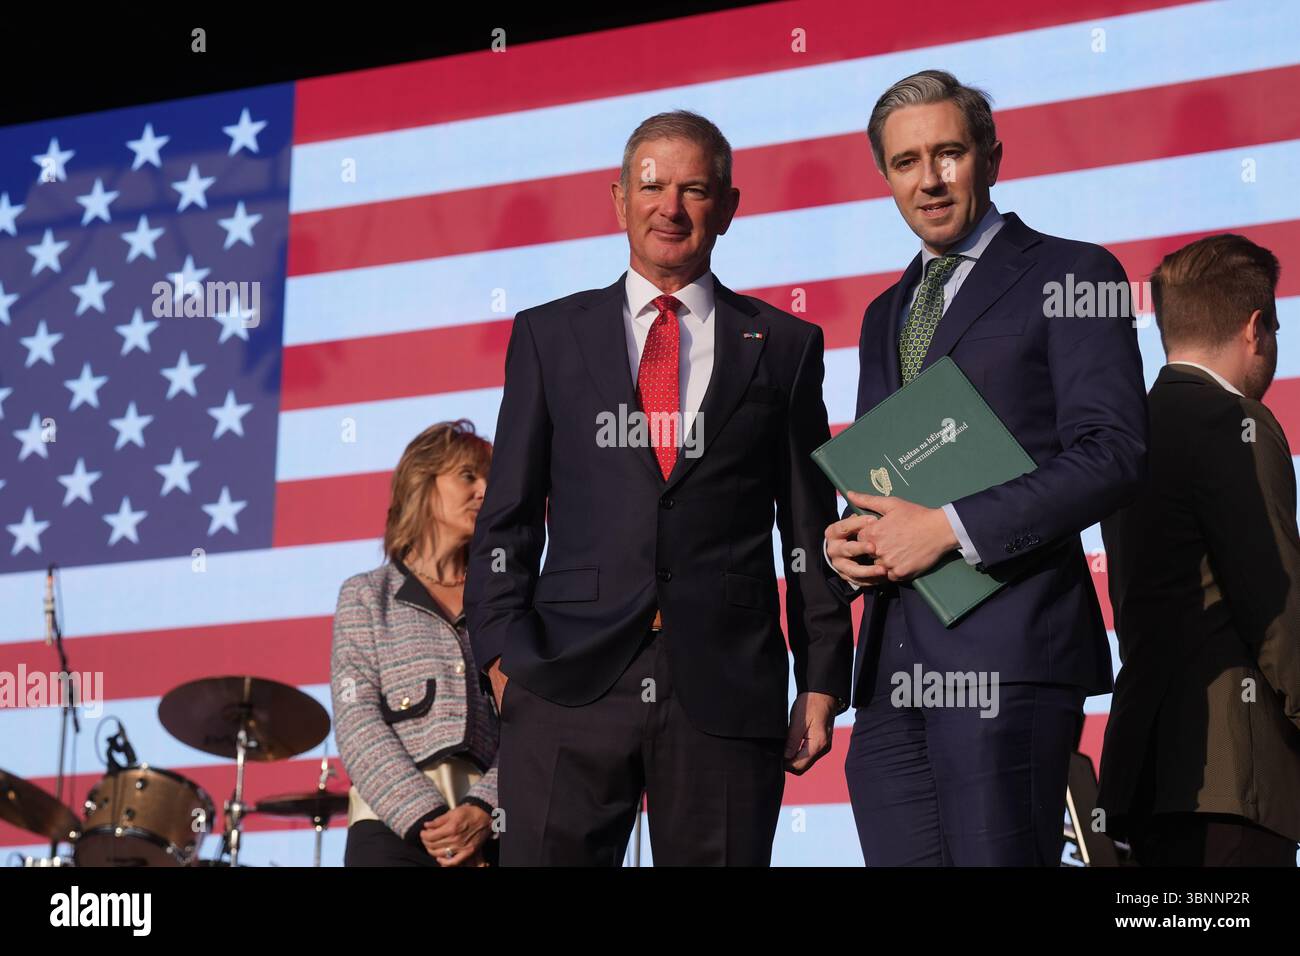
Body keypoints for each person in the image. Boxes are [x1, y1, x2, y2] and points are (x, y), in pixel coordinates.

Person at [465, 110, 853, 866]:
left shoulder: (786, 346)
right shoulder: (548, 336)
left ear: (730, 207)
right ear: (618, 199)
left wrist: (822, 674)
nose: (670, 207)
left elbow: (809, 529)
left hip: (727, 686)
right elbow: (507, 517)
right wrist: (498, 657)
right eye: (652, 186)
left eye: (695, 188)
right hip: (561, 682)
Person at [823, 70, 1148, 865]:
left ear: (992, 158)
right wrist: (853, 545)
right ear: (886, 178)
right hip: (893, 671)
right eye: (905, 163)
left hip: (1011, 653)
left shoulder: (1076, 273)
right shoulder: (881, 314)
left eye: (948, 154)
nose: (928, 180)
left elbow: (1115, 453)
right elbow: (892, 475)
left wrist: (948, 529)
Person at [1099, 234, 1300, 866]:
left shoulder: (1127, 433)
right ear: (1254, 328)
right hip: (1232, 780)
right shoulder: (1235, 422)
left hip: (1148, 777)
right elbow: (1277, 611)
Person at [331, 419, 499, 866]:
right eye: (468, 476)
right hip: (389, 830)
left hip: (491, 833)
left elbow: (533, 722)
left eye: (489, 479)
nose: (485, 489)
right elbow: (356, 720)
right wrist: (429, 818)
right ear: (422, 484)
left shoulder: (506, 600)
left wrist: (484, 810)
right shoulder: (366, 595)